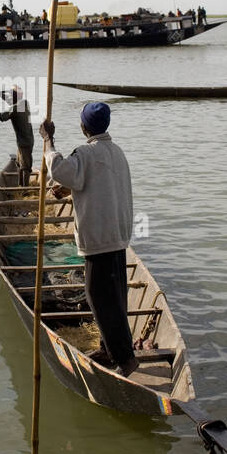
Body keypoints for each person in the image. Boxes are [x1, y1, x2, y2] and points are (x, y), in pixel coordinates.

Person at [40, 102, 138, 376]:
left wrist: (48, 140)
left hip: (99, 238)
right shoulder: (116, 152)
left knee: (100, 298)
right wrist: (71, 191)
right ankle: (109, 348)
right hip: (116, 235)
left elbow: (58, 168)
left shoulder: (85, 153)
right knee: (114, 296)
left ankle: (126, 358)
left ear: (84, 127)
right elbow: (102, 188)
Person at [0, 87, 34, 186]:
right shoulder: (25, 103)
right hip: (25, 141)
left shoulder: (15, 108)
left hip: (24, 142)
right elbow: (9, 100)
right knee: (19, 163)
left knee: (25, 167)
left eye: (11, 95)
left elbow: (2, 116)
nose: (10, 97)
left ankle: (24, 189)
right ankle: (20, 185)